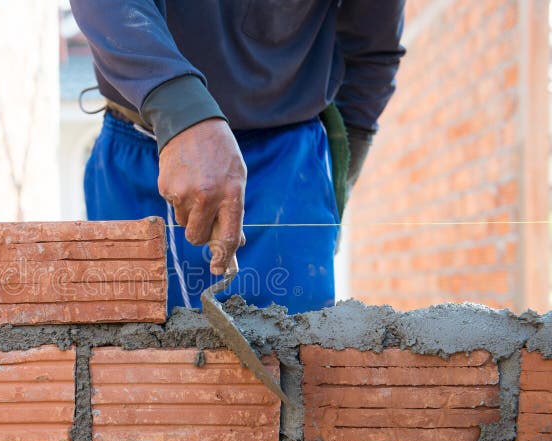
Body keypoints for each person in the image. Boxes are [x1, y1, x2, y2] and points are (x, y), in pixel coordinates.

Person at [70, 1, 405, 313]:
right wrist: (179, 110)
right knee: (125, 362)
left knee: (291, 361)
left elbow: (371, 46)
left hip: (284, 166)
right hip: (139, 152)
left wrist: (336, 176)